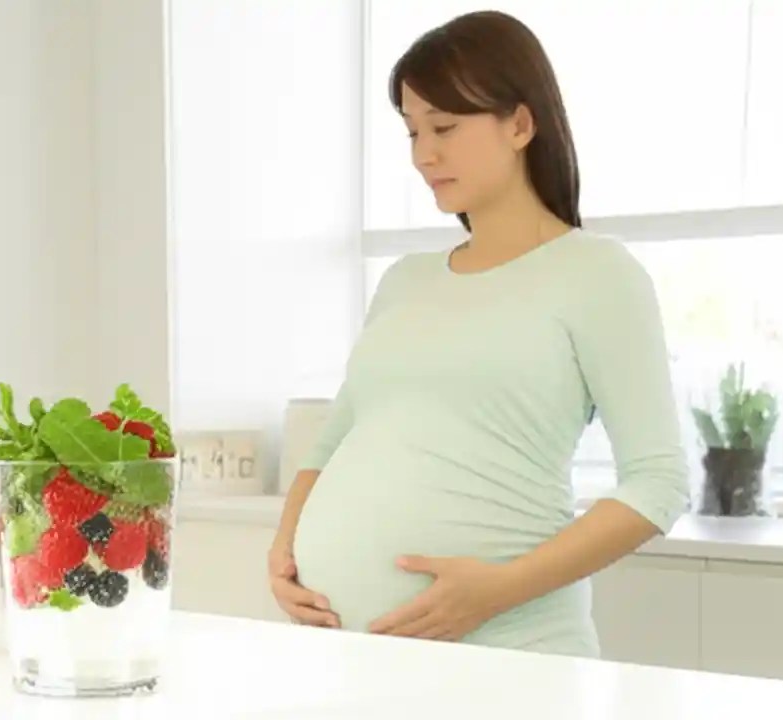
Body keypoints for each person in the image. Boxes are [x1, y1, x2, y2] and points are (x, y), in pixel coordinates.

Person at [267, 10, 689, 659]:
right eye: (411, 131)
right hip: (349, 659)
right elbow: (333, 440)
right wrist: (283, 555)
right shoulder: (405, 281)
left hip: (509, 652)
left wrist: (496, 590)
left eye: (444, 127)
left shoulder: (596, 273)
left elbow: (658, 481)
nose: (422, 154)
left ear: (520, 124)